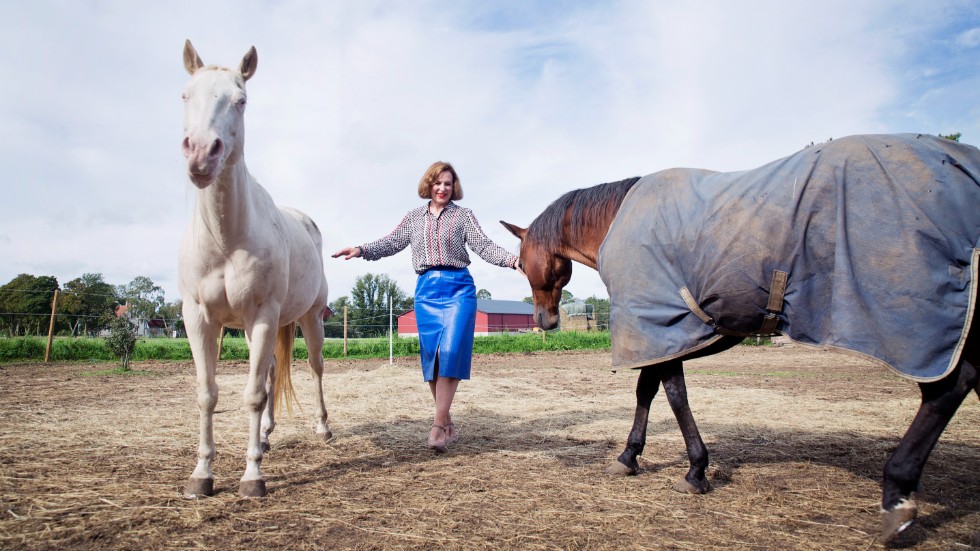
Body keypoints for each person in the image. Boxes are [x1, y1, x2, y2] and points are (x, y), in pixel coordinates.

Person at [332, 161, 523, 453]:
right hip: (426, 291)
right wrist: (361, 250)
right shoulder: (414, 217)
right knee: (433, 359)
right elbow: (391, 242)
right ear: (429, 185)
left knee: (451, 352)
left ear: (454, 187)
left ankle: (436, 426)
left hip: (459, 288)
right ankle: (447, 423)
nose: (442, 188)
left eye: (448, 183)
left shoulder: (463, 216)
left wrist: (512, 260)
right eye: (437, 183)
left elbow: (484, 246)